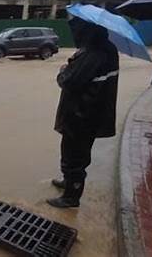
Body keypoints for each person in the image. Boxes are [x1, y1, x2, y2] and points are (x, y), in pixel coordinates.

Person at [48, 17, 119, 208]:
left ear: (86, 31)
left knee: (75, 156)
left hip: (81, 115)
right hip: (89, 114)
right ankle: (69, 182)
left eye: (77, 30)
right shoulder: (106, 49)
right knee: (73, 152)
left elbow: (70, 81)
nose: (75, 35)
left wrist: (64, 70)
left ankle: (71, 196)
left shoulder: (94, 52)